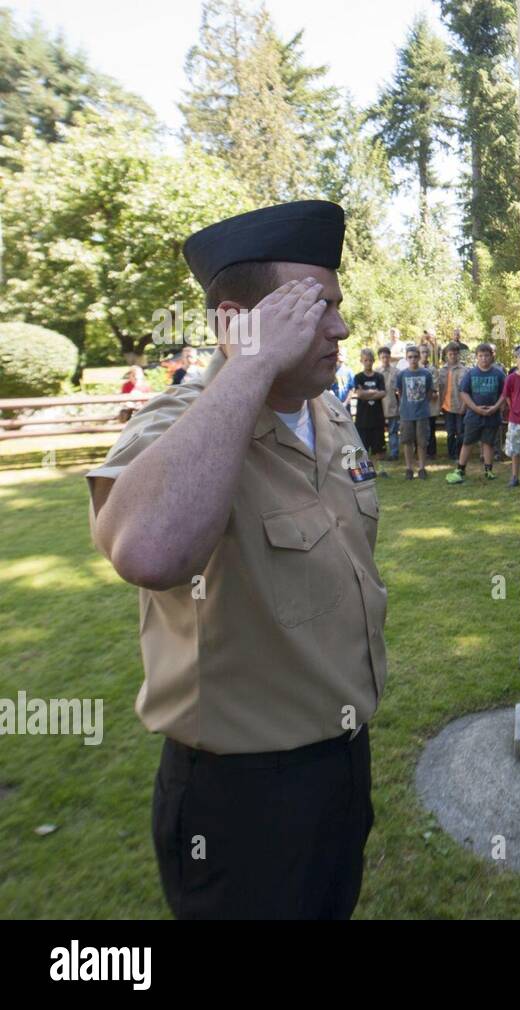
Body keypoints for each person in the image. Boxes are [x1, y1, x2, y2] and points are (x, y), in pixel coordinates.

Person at [85, 200, 386, 920]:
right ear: (234, 323)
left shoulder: (328, 414)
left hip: (341, 764)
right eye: (314, 310)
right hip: (241, 799)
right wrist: (248, 366)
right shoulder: (177, 425)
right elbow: (148, 548)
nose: (340, 328)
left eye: (337, 307)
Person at [447, 342, 506, 484]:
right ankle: (460, 469)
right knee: (467, 442)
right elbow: (464, 392)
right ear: (476, 357)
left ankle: (488, 469)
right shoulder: (471, 373)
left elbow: (504, 394)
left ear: (492, 356)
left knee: (488, 443)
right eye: (481, 356)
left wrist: (496, 408)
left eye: (486, 355)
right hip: (474, 415)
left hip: (492, 414)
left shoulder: (498, 374)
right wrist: (475, 408)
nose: (484, 359)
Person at [395, 344, 435, 479]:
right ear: (406, 358)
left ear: (419, 357)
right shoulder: (402, 375)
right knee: (407, 441)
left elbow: (430, 393)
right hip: (407, 413)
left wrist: (422, 404)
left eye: (415, 357)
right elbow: (400, 393)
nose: (413, 359)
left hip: (422, 413)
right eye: (410, 357)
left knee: (422, 442)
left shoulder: (426, 374)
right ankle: (409, 468)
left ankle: (422, 468)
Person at [352, 348, 387, 466]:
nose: (368, 362)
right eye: (365, 360)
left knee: (379, 448)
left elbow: (383, 393)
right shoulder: (358, 377)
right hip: (363, 418)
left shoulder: (379, 377)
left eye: (370, 360)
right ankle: (365, 467)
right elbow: (360, 394)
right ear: (361, 361)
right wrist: (373, 391)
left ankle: (379, 469)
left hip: (377, 417)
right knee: (362, 448)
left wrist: (366, 393)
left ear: (373, 361)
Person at [502, 345, 520, 487]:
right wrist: (514, 409)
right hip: (516, 419)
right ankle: (515, 476)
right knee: (515, 450)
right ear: (517, 360)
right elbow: (507, 396)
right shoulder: (511, 378)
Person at [438, 341, 468, 462]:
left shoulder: (464, 370)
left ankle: (459, 453)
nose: (453, 356)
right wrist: (439, 404)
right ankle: (451, 454)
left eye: (455, 354)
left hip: (460, 405)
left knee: (460, 432)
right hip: (447, 406)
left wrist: (464, 405)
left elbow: (466, 390)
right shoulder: (442, 370)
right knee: (450, 432)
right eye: (450, 354)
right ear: (446, 355)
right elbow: (439, 388)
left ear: (458, 355)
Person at [378, 345, 401, 463]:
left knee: (393, 431)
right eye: (382, 357)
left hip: (393, 405)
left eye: (387, 357)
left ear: (390, 357)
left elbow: (399, 390)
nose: (385, 359)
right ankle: (381, 452)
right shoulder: (376, 372)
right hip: (379, 406)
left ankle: (394, 453)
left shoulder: (396, 372)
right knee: (380, 431)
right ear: (379, 358)